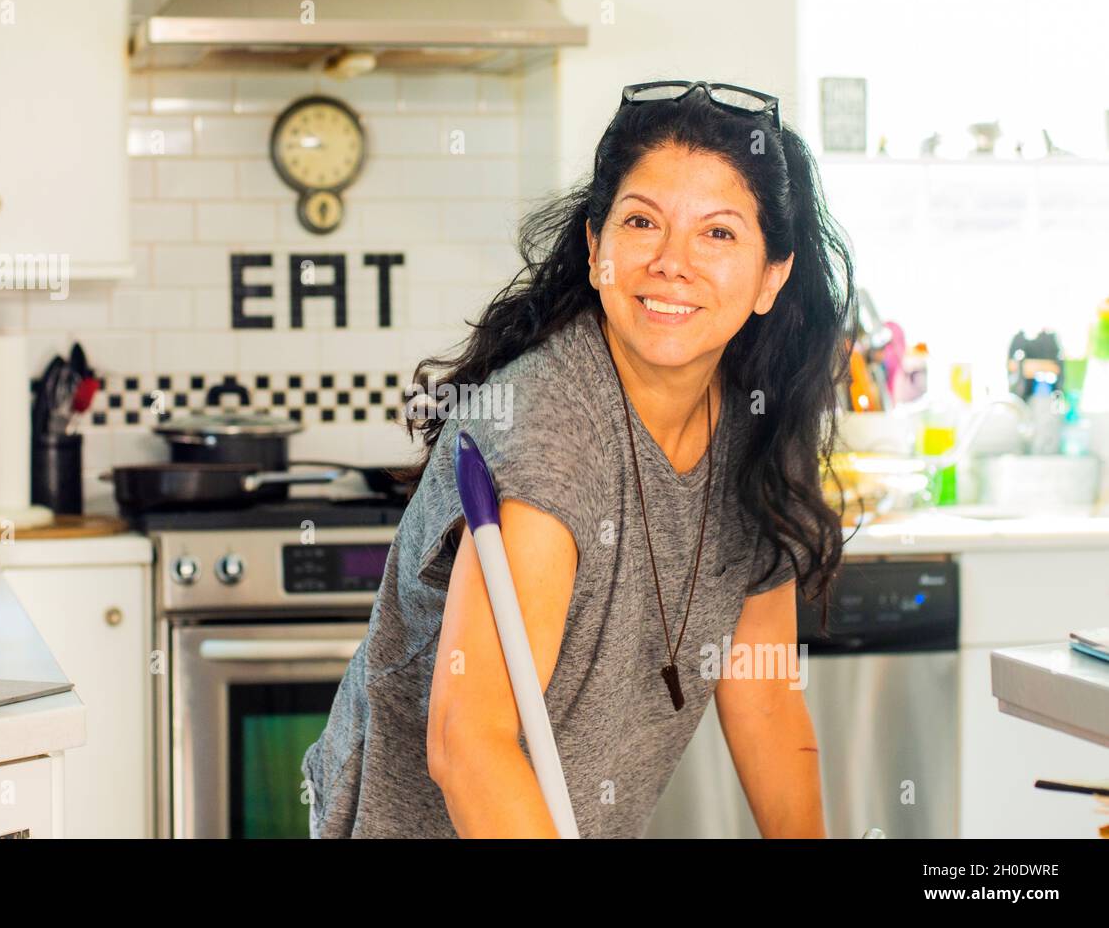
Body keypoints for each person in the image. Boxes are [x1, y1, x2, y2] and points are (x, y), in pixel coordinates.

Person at [301, 80, 855, 838]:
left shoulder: (758, 425)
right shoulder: (551, 426)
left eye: (718, 233)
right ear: (596, 249)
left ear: (771, 276)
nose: (671, 261)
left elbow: (761, 693)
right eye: (641, 221)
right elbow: (469, 743)